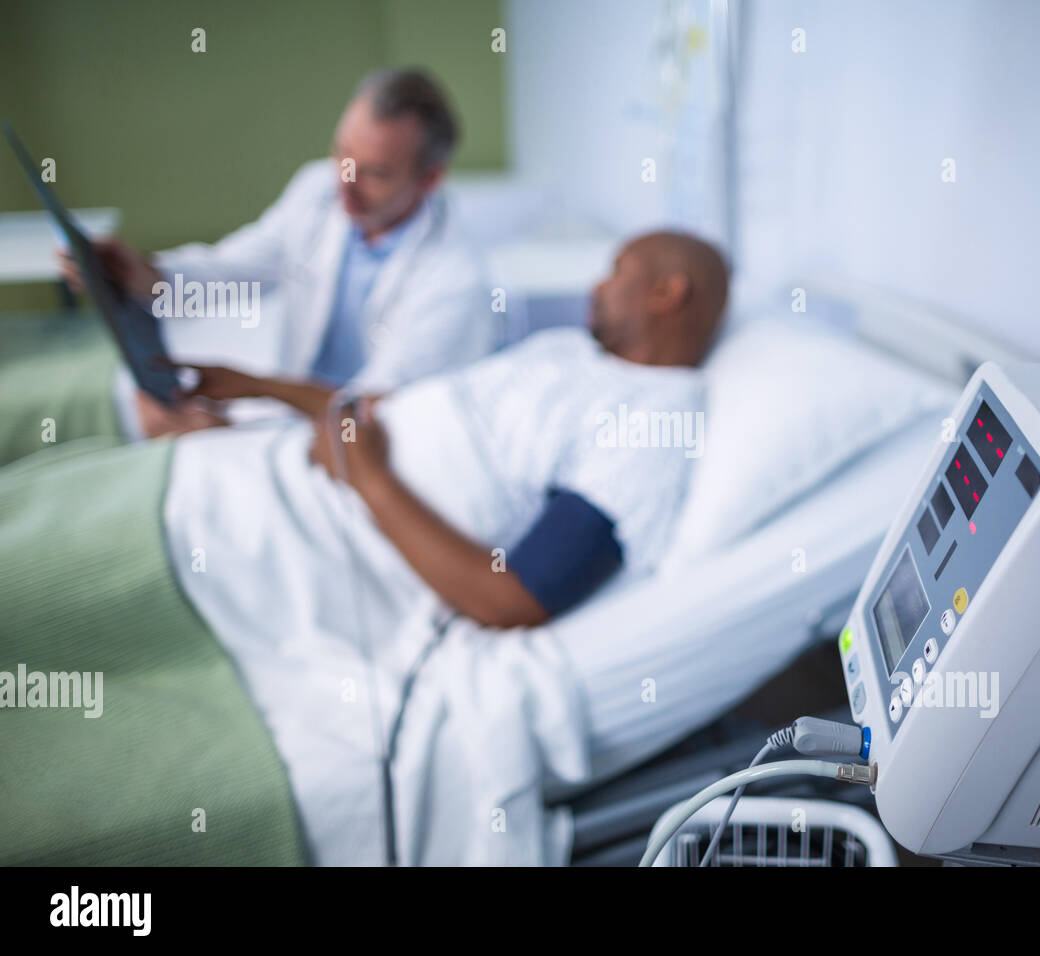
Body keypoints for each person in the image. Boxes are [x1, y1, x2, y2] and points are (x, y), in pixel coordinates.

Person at [0, 230, 727, 865]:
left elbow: (516, 596)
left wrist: (369, 478)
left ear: (668, 291)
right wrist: (260, 389)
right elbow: (377, 411)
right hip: (258, 473)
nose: (597, 284)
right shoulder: (566, 353)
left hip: (287, 535)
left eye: (619, 269)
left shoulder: (654, 418)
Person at [0, 68, 494, 464]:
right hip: (287, 409)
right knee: (129, 413)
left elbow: (372, 414)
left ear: (430, 179)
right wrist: (144, 276)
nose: (345, 183)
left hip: (360, 451)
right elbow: (236, 272)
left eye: (376, 175)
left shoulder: (456, 282)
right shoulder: (319, 190)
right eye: (342, 154)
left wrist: (238, 425)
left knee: (161, 436)